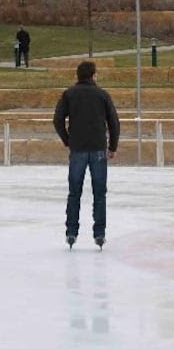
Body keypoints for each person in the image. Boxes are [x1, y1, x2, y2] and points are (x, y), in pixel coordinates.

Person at [53, 61, 120, 248]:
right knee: (100, 193)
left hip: (78, 149)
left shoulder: (69, 94)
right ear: (93, 75)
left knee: (74, 192)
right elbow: (114, 122)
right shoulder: (102, 95)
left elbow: (57, 120)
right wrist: (112, 146)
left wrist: (68, 140)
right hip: (98, 148)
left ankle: (71, 232)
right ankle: (99, 233)